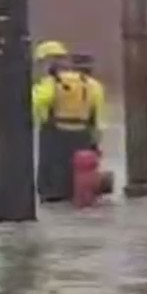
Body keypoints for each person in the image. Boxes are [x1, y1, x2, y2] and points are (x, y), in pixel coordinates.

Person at [31, 41, 107, 203]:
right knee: (78, 173)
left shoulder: (51, 83)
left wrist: (40, 116)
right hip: (83, 135)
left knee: (52, 179)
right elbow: (99, 117)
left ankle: (54, 198)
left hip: (54, 135)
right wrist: (96, 141)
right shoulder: (93, 84)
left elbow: (36, 102)